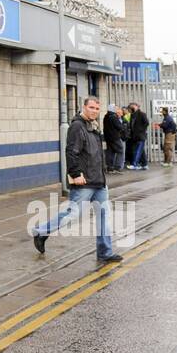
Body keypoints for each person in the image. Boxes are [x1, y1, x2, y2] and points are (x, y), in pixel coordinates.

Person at [32, 96, 123, 264]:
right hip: (84, 181)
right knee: (72, 214)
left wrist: (103, 176)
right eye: (91, 107)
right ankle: (41, 231)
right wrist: (75, 174)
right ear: (84, 107)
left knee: (104, 216)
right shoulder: (77, 126)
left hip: (99, 182)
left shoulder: (94, 127)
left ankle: (105, 252)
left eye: (97, 108)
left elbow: (95, 154)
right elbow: (71, 152)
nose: (94, 111)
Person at [102, 104, 126, 173]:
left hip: (108, 137)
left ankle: (110, 168)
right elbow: (120, 127)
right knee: (120, 151)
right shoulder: (114, 117)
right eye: (115, 108)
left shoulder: (106, 116)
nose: (116, 109)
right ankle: (117, 167)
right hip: (115, 137)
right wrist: (122, 124)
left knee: (110, 152)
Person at [127, 102, 150, 169]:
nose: (131, 108)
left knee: (137, 150)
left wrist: (140, 130)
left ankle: (135, 164)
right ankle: (145, 164)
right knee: (141, 151)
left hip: (140, 136)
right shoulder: (132, 115)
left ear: (137, 106)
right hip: (134, 136)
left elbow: (146, 123)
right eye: (130, 107)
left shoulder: (142, 114)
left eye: (132, 106)